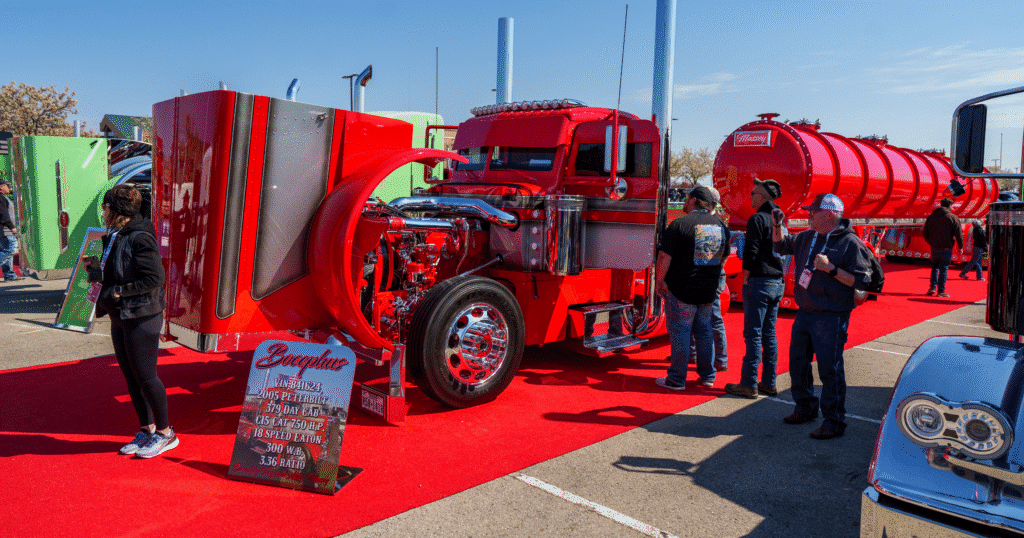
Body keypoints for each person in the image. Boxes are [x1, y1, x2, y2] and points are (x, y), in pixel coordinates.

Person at [83, 185, 177, 458]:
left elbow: (154, 279)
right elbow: (116, 274)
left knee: (146, 377)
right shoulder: (115, 235)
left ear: (116, 210)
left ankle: (165, 433)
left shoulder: (139, 237)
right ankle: (146, 431)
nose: (104, 212)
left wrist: (120, 291)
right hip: (120, 314)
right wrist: (97, 269)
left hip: (142, 314)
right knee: (131, 376)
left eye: (106, 208)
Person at [772, 193, 872, 440]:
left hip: (831, 315)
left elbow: (862, 283)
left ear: (829, 215)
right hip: (806, 311)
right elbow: (779, 245)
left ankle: (834, 421)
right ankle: (805, 407)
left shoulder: (850, 243)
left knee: (830, 369)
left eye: (813, 212)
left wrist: (832, 269)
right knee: (798, 362)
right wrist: (777, 225)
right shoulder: (808, 236)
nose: (808, 215)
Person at [655, 186, 730, 391]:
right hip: (707, 290)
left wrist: (659, 281)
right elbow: (723, 256)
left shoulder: (679, 224)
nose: (684, 202)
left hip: (682, 289)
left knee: (681, 332)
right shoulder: (721, 225)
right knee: (704, 331)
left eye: (687, 198)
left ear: (694, 200)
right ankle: (708, 375)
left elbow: (664, 256)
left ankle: (677, 379)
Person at [725, 178, 786, 399]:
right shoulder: (779, 218)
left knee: (753, 334)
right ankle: (769, 382)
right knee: (769, 334)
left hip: (760, 281)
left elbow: (749, 253)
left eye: (753, 193)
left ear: (761, 196)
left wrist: (745, 279)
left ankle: (748, 383)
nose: (750, 196)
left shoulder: (757, 219)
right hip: (776, 281)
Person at [922, 198, 963, 297]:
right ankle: (941, 291)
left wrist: (931, 242)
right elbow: (959, 234)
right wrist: (960, 247)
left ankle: (932, 288)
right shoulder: (953, 217)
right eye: (952, 206)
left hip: (934, 246)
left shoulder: (931, 216)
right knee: (943, 269)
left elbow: (925, 233)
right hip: (946, 247)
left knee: (935, 267)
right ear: (949, 206)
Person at [0, 178, 23, 282]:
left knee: (6, 251)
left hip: (5, 230)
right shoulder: (1, 198)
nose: (9, 187)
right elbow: (3, 215)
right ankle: (9, 275)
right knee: (10, 250)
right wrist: (11, 227)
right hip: (6, 230)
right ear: (1, 187)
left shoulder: (3, 197)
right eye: (7, 185)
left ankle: (9, 275)